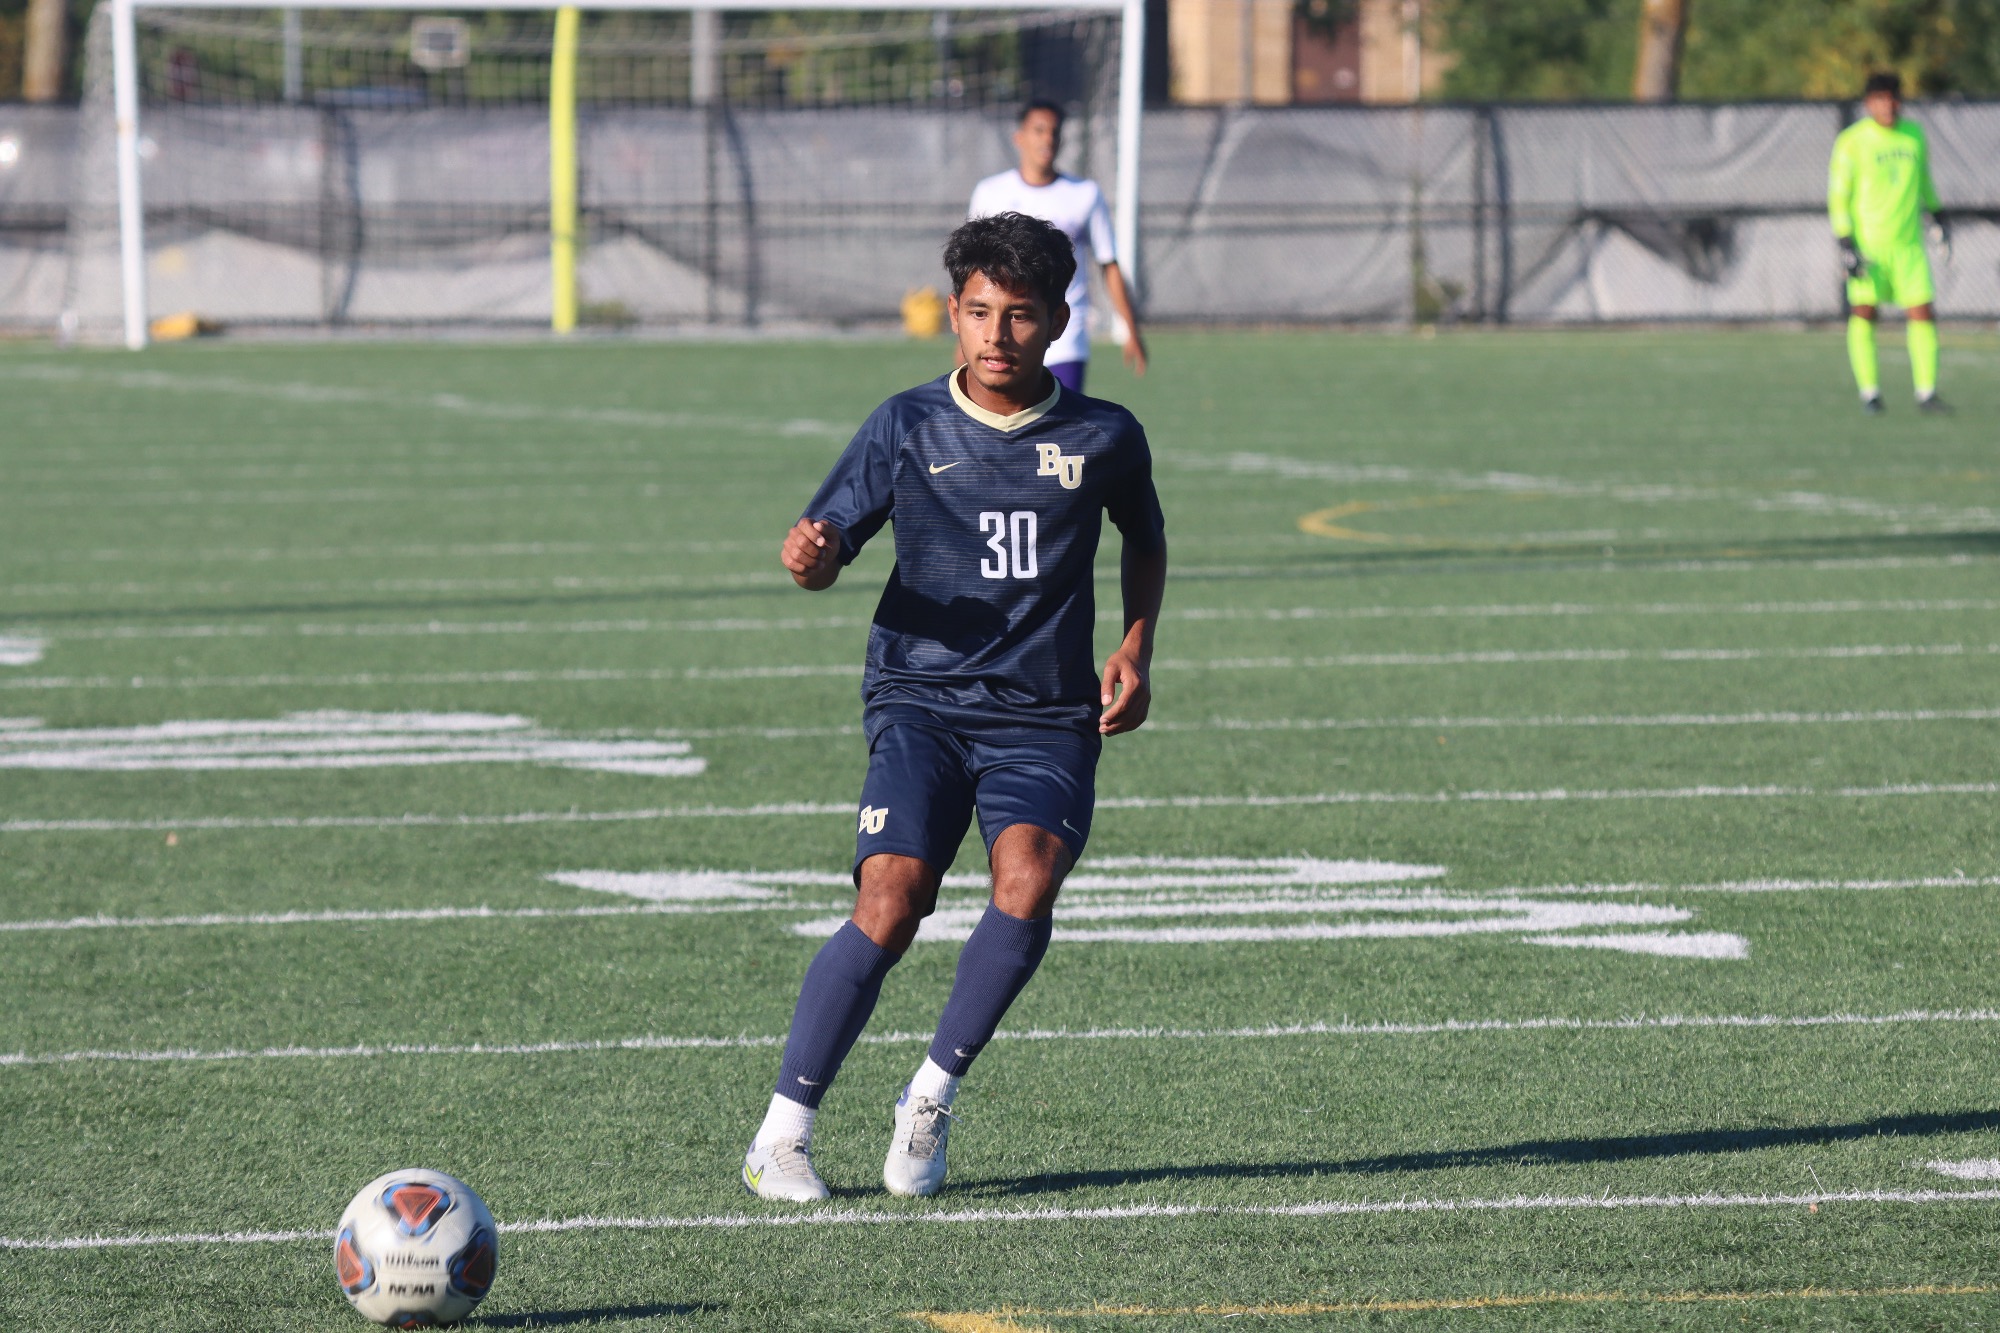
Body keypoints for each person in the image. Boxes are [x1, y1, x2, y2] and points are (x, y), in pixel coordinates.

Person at [742, 212, 1168, 1203]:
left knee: (1026, 880)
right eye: (976, 312)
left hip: (1045, 712)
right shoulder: (904, 424)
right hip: (920, 699)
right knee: (889, 898)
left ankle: (927, 1098)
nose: (994, 335)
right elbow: (823, 547)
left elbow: (1143, 538)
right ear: (953, 313)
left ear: (1058, 320)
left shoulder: (1103, 434)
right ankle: (783, 1132)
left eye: (1017, 316)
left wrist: (1136, 647)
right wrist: (808, 561)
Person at [966, 101, 1147, 395]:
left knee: (1062, 427)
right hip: (1003, 335)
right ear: (1020, 137)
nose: (1047, 139)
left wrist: (1131, 329)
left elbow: (1108, 264)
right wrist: (967, 333)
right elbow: (972, 267)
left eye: (1054, 132)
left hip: (1065, 337)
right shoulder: (990, 193)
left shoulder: (1084, 194)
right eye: (1039, 130)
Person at [1829, 71, 1951, 415]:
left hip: (1909, 246)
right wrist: (1845, 242)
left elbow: (1925, 180)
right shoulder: (1853, 141)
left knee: (1922, 313)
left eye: (1893, 97)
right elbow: (1839, 196)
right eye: (1881, 99)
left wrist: (1939, 216)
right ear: (1869, 103)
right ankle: (1870, 393)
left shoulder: (1914, 136)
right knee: (1865, 313)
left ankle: (1926, 393)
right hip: (1869, 246)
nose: (1888, 105)